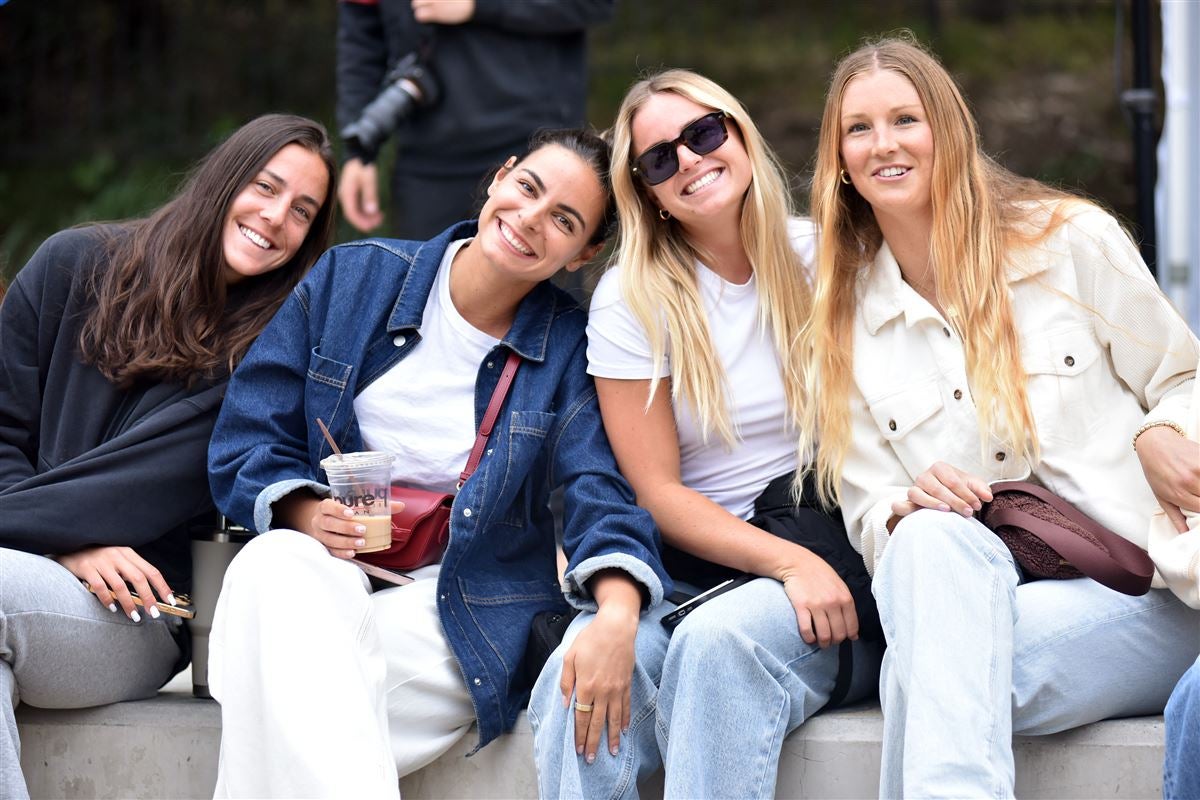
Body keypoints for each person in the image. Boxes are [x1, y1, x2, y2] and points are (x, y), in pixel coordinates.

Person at [205, 128, 669, 798]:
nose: (530, 219)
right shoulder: (354, 278)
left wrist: (619, 613)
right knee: (270, 562)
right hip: (321, 574)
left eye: (564, 221)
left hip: (456, 603)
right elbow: (248, 433)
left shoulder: (569, 345)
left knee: (275, 693)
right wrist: (305, 510)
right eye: (527, 188)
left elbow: (599, 487)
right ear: (500, 177)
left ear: (585, 252)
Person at [801, 36, 1200, 798]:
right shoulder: (842, 327)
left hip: (1150, 588)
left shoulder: (1068, 240)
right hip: (992, 595)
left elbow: (1185, 376)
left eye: (905, 119)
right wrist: (909, 506)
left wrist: (1162, 430)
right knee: (926, 547)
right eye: (859, 128)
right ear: (840, 159)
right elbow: (869, 515)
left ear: (947, 129)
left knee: (933, 674)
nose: (883, 144)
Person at [531, 70, 884, 799]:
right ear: (647, 192)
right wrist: (782, 563)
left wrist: (799, 565)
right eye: (660, 158)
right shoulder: (632, 298)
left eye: (703, 133)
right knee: (579, 673)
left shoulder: (827, 255)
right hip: (702, 567)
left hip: (828, 551)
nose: (690, 160)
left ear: (739, 132)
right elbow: (656, 490)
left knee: (717, 644)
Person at [0, 114, 337, 800]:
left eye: (302, 211)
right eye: (264, 186)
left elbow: (144, 491)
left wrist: (59, 540)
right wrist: (68, 544)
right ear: (222, 180)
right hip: (28, 563)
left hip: (138, 612)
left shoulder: (271, 351)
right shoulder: (72, 266)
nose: (275, 218)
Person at [337, 0, 614, 239]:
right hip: (428, 161)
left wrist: (478, 5)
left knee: (538, 285)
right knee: (425, 281)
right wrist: (359, 151)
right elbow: (361, 37)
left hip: (535, 146)